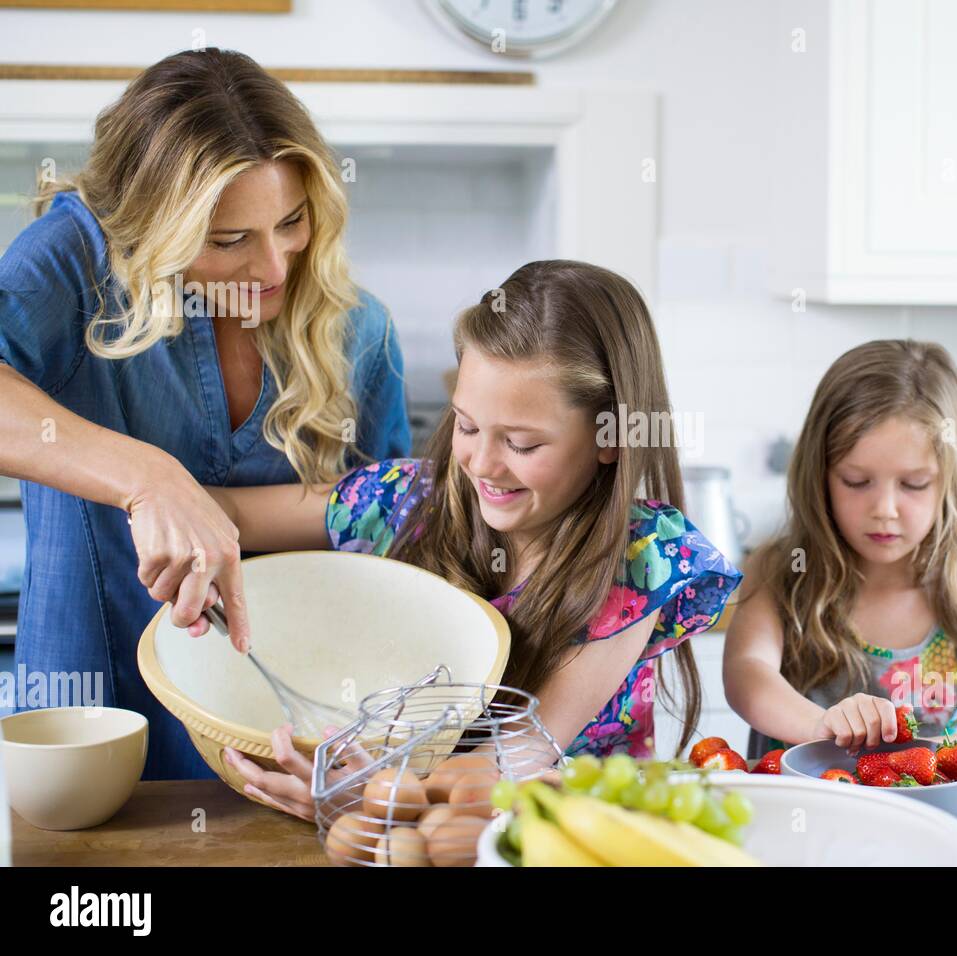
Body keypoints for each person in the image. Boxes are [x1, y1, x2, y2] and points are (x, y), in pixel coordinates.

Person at [203, 260, 742, 821]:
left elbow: (517, 756)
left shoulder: (639, 557)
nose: (481, 464)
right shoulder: (407, 500)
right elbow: (231, 510)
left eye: (522, 444)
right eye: (465, 425)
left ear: (610, 438)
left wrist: (367, 797)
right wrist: (164, 507)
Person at [0, 49, 409, 779]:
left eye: (291, 222)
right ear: (149, 226)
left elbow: (390, 549)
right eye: (228, 241)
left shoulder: (360, 333)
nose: (276, 268)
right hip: (91, 735)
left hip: (291, 739)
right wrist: (150, 479)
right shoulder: (75, 264)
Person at [723, 340, 957, 780]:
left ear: (949, 483)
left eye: (914, 484)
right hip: (802, 823)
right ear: (819, 474)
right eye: (856, 480)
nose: (885, 508)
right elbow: (746, 675)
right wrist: (822, 726)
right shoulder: (782, 572)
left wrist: (921, 754)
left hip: (924, 830)